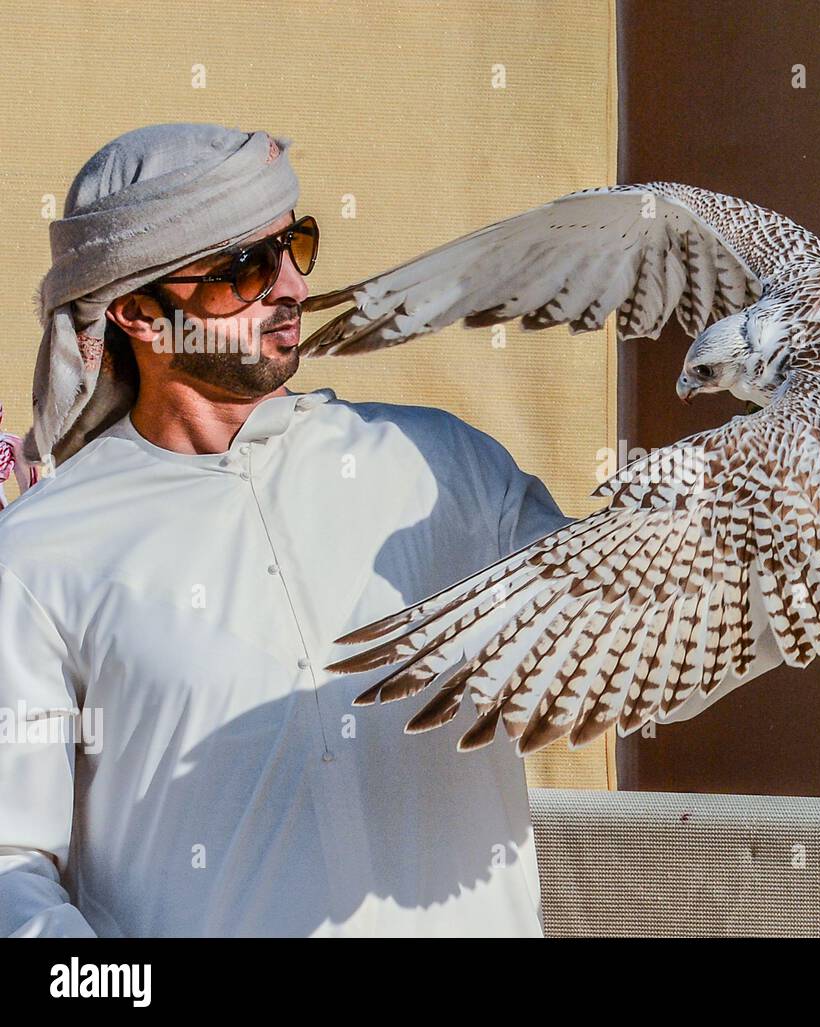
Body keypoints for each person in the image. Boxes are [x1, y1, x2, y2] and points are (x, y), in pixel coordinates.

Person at [0, 123, 567, 936]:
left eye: (297, 244)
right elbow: (9, 869)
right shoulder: (40, 552)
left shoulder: (443, 467)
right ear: (137, 314)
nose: (292, 287)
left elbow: (669, 630)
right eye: (246, 271)